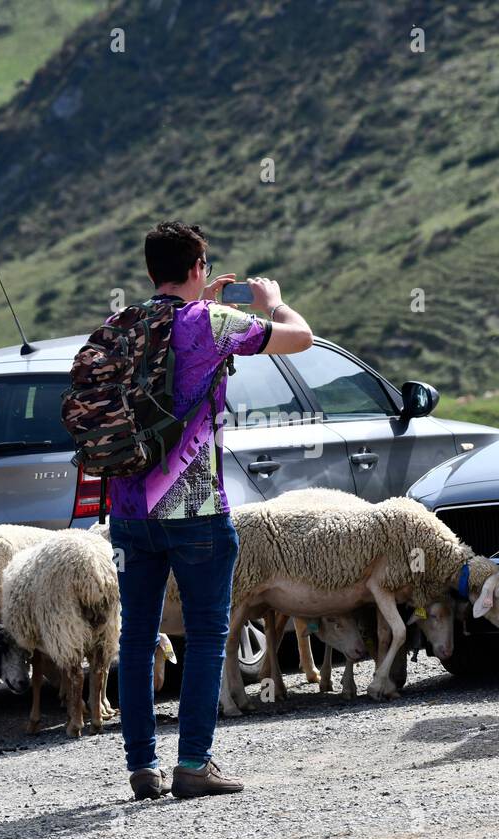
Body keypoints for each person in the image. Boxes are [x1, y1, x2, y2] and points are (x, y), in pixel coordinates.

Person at [110, 221, 313, 798]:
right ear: (198, 267)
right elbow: (299, 337)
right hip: (194, 508)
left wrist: (208, 306)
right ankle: (193, 764)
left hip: (128, 508)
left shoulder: (121, 324)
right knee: (203, 635)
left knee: (137, 636)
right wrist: (274, 303)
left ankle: (142, 768)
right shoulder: (211, 323)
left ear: (152, 271)